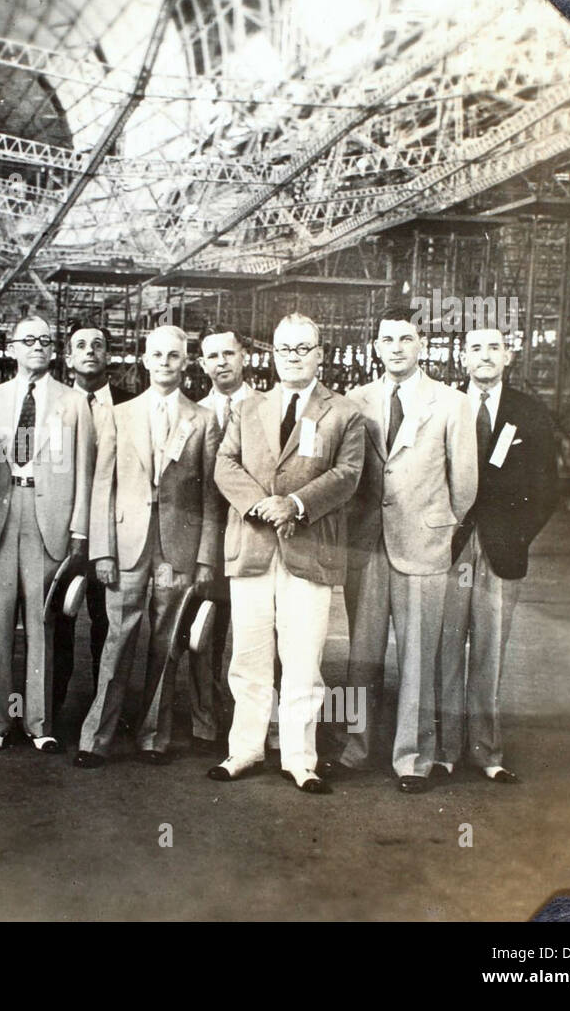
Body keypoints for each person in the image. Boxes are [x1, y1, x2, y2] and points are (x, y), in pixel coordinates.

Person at [208, 315, 365, 792]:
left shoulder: (343, 412)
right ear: (271, 354)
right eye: (284, 348)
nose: (293, 356)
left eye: (303, 348)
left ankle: (300, 758)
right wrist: (262, 504)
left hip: (310, 549)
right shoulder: (248, 408)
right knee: (249, 655)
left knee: (302, 659)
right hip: (253, 547)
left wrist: (295, 505)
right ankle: (246, 749)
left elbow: (348, 473)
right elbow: (224, 464)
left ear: (321, 353)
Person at [326, 318, 477, 793]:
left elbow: (466, 484)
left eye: (406, 338)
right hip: (367, 545)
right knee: (360, 657)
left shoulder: (452, 404)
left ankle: (413, 758)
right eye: (387, 339)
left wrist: (438, 525)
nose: (396, 347)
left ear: (421, 345)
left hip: (423, 544)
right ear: (375, 346)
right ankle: (354, 748)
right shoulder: (355, 400)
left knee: (418, 658)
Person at [74, 326, 222, 768]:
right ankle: (95, 737)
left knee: (166, 642)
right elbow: (103, 486)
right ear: (143, 360)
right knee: (118, 641)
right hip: (127, 544)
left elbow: (211, 498)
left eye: (173, 356)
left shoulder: (204, 420)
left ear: (185, 363)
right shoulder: (119, 415)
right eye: (156, 355)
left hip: (178, 547)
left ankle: (154, 737)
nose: (164, 363)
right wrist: (102, 550)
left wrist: (204, 558)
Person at [434, 327, 558, 783]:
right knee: (445, 648)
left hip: (501, 551)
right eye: (474, 349)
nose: (484, 357)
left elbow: (548, 487)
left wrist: (518, 536)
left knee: (490, 651)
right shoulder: (446, 407)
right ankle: (445, 749)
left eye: (493, 348)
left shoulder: (530, 413)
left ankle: (487, 753)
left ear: (507, 356)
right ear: (462, 358)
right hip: (449, 547)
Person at [0, 315, 94, 752]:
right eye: (29, 340)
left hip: (51, 522)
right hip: (0, 518)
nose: (38, 347)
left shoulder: (73, 403)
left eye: (45, 340)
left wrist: (80, 531)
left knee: (42, 623)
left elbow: (84, 472)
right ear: (12, 347)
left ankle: (39, 724)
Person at [52, 323, 136, 722]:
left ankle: (107, 714)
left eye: (98, 345)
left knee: (109, 626)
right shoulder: (53, 404)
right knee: (60, 622)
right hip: (64, 533)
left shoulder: (129, 406)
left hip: (114, 538)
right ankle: (50, 709)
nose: (90, 351)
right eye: (81, 346)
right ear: (68, 358)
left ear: (108, 356)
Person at [189, 329, 255, 751]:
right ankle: (204, 723)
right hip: (207, 541)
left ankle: (253, 723)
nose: (221, 362)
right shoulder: (192, 414)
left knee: (254, 636)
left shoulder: (269, 408)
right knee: (204, 632)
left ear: (244, 357)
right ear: (201, 364)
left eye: (229, 353)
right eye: (212, 356)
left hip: (254, 538)